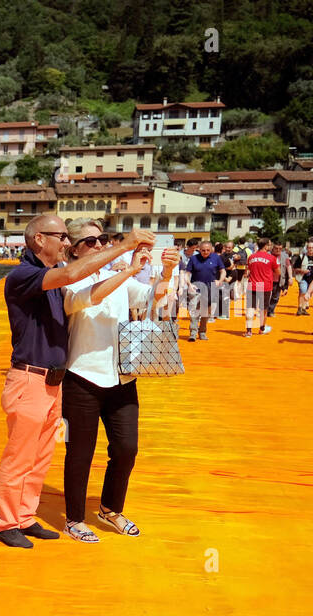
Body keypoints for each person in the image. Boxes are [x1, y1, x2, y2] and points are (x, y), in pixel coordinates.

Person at [0, 214, 155, 548]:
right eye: (62, 237)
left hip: (53, 380)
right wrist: (125, 246)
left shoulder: (49, 281)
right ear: (40, 239)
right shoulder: (24, 275)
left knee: (39, 457)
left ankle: (24, 517)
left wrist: (135, 269)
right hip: (29, 378)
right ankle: (6, 522)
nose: (66, 243)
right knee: (20, 456)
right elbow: (73, 277)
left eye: (70, 237)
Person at [59, 219, 179, 543]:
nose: (99, 246)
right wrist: (127, 267)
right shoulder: (67, 281)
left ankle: (110, 508)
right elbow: (92, 297)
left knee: (127, 449)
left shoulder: (117, 277)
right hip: (82, 377)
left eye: (103, 240)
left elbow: (153, 298)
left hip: (122, 376)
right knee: (80, 453)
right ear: (74, 250)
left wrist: (166, 273)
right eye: (91, 242)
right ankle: (74, 519)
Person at [184, 239, 224, 341]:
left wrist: (220, 280)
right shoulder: (194, 259)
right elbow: (187, 273)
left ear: (211, 250)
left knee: (205, 312)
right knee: (194, 311)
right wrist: (189, 284)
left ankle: (202, 332)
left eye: (207, 250)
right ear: (199, 249)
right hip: (196, 288)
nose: (205, 252)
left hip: (210, 288)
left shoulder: (216, 258)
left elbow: (222, 271)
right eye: (203, 250)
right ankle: (193, 333)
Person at [244, 237, 277, 337]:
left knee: (250, 307)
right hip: (265, 285)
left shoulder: (251, 257)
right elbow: (278, 272)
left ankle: (249, 331)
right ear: (266, 246)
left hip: (252, 284)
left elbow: (248, 270)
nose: (270, 246)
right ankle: (262, 329)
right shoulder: (271, 258)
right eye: (270, 244)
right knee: (263, 309)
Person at [294, 239, 313, 315]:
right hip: (303, 278)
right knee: (303, 291)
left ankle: (303, 308)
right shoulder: (301, 257)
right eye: (309, 247)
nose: (310, 249)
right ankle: (300, 308)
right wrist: (302, 271)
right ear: (306, 248)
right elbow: (295, 268)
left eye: (312, 247)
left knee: (309, 293)